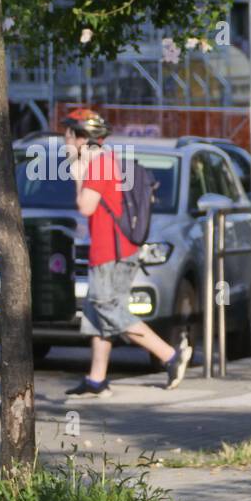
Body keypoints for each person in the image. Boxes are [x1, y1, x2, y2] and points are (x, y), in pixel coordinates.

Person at [62, 108, 189, 397]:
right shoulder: (108, 161)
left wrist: (76, 172)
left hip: (111, 252)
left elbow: (85, 206)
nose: (65, 140)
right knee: (96, 315)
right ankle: (97, 379)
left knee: (109, 310)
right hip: (113, 250)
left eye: (68, 134)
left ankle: (170, 355)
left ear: (81, 137)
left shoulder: (99, 165)